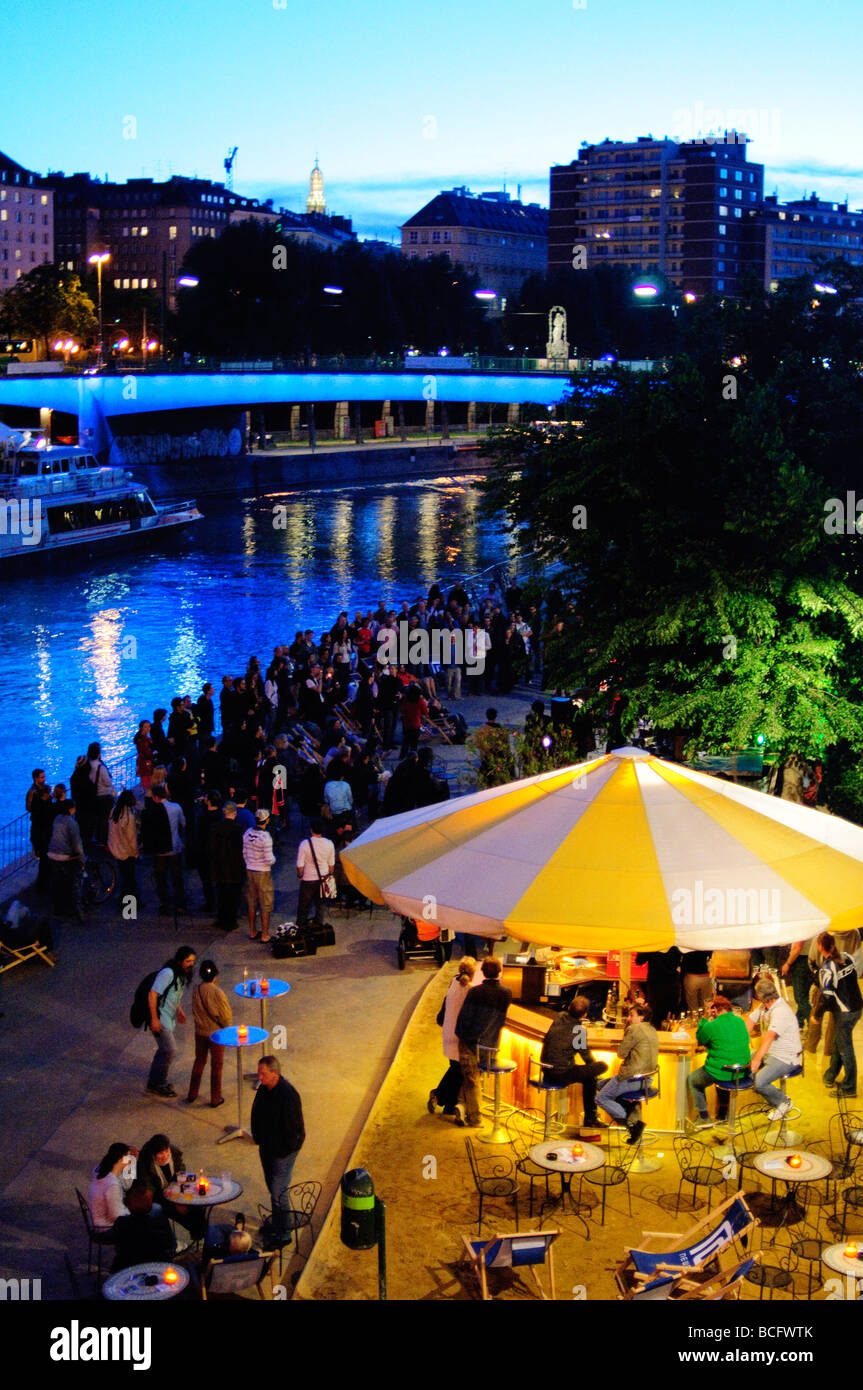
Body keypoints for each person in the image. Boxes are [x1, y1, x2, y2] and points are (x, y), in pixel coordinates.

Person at [251, 1055, 306, 1243]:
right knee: (273, 1187)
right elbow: (256, 1112)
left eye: (263, 1073)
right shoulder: (264, 1090)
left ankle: (284, 1232)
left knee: (278, 1190)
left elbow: (293, 1129)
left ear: (275, 1073)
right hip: (267, 1148)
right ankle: (280, 1222)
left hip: (282, 1152)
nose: (260, 1076)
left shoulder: (288, 1096)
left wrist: (283, 1150)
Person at [454, 957, 513, 1128]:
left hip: (471, 1044)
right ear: (500, 972)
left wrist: (463, 1037)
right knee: (471, 1078)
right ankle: (461, 1106)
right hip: (491, 1046)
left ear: (483, 972)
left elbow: (463, 1019)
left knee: (471, 1079)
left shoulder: (475, 992)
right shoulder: (506, 993)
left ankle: (475, 1118)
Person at [540, 995, 609, 1127]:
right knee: (601, 1066)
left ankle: (591, 1118)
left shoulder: (559, 1017)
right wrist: (593, 1067)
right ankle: (590, 1118)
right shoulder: (579, 1031)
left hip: (545, 1068)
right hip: (560, 1074)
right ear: (584, 1015)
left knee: (589, 1078)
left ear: (569, 1007)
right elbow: (587, 1057)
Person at [596, 1001, 659, 1144]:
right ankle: (631, 1108)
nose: (629, 1018)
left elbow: (621, 1053)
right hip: (647, 1078)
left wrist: (628, 1028)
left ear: (642, 1017)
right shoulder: (652, 1029)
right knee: (601, 1084)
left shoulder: (634, 1029)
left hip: (632, 1078)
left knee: (601, 1098)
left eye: (632, 1015)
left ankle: (633, 1124)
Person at [687, 995, 752, 1125]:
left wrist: (705, 1018)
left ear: (714, 1010)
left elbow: (700, 1039)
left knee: (694, 1080)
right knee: (723, 1075)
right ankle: (723, 1113)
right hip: (742, 1071)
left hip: (723, 1071)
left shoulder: (713, 1025)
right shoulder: (740, 1021)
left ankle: (704, 1117)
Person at [746, 978, 803, 1120]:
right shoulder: (765, 1006)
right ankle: (773, 1097)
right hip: (772, 1054)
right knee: (743, 1058)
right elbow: (750, 1021)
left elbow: (769, 1037)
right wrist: (743, 1040)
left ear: (759, 996)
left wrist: (757, 1059)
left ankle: (782, 1101)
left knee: (758, 1083)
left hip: (786, 1058)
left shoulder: (780, 1011)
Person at [814, 930, 863, 1098]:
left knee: (845, 1049)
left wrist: (816, 1015)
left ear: (820, 947)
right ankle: (830, 1076)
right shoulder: (846, 957)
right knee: (840, 1042)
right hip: (857, 1007)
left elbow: (826, 997)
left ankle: (849, 1088)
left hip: (844, 1012)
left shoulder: (827, 969)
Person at [428, 958, 478, 1117]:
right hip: (459, 1035)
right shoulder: (470, 990)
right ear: (473, 972)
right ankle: (438, 1094)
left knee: (456, 1068)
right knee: (458, 1069)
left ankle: (449, 1106)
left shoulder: (454, 982)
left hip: (448, 1031)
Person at [146, 945, 196, 1098]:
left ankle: (155, 1082)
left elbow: (174, 994)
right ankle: (158, 1083)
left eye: (193, 961)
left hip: (168, 1018)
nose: (191, 964)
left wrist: (179, 1010)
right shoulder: (168, 973)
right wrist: (154, 1019)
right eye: (188, 961)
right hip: (160, 1019)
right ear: (180, 960)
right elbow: (152, 994)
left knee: (164, 1050)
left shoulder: (181, 974)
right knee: (171, 1050)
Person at [136, 1131, 206, 1238]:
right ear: (154, 1154)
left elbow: (181, 1169)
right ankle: (197, 1234)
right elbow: (150, 1188)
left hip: (175, 1186)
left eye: (166, 1151)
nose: (165, 1156)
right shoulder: (145, 1164)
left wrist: (182, 1181)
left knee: (197, 1204)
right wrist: (175, 1200)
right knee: (182, 1213)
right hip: (159, 1195)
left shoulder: (173, 1153)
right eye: (160, 1153)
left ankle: (200, 1235)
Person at [186, 959, 232, 1107]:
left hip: (200, 1032)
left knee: (199, 1061)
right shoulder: (218, 992)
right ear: (215, 976)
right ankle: (215, 1098)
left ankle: (192, 1094)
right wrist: (226, 1027)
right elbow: (225, 1016)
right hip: (216, 1034)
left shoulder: (196, 990)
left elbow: (194, 1011)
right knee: (216, 1066)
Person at [141, 784, 187, 915]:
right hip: (175, 846)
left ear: (155, 797)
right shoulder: (176, 807)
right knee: (177, 877)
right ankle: (180, 904)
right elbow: (183, 823)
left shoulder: (152, 811)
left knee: (161, 878)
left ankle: (165, 904)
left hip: (160, 850)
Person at [110, 1181, 176, 1272]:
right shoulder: (158, 1223)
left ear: (128, 1205)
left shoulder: (121, 1223)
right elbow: (171, 1245)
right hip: (157, 1267)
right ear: (150, 1206)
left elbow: (117, 1246)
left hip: (126, 1267)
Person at [46, 798, 86, 921]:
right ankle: (73, 909)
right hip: (64, 856)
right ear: (70, 809)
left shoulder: (57, 819)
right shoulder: (71, 823)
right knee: (71, 882)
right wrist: (81, 859)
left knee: (57, 882)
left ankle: (58, 908)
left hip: (52, 853)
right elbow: (77, 843)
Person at [211, 801, 246, 931]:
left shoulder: (215, 828)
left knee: (221, 895)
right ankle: (231, 921)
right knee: (233, 896)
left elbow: (212, 848)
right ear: (235, 813)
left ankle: (221, 919)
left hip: (219, 867)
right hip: (234, 868)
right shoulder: (239, 829)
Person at [89, 1141, 138, 1231]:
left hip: (98, 1218)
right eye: (128, 1157)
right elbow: (117, 1216)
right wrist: (132, 1212)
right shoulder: (112, 1185)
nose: (130, 1159)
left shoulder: (100, 1169)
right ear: (121, 1159)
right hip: (106, 1227)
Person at [243, 807, 276, 942]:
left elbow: (244, 853)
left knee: (252, 902)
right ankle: (264, 935)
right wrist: (274, 860)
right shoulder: (266, 837)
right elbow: (269, 859)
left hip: (250, 870)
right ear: (267, 820)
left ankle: (252, 931)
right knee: (265, 904)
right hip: (263, 872)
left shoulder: (247, 833)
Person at [296, 817, 335, 927]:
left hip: (308, 879)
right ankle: (318, 927)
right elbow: (331, 867)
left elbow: (300, 865)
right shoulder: (329, 844)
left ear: (311, 830)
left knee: (304, 906)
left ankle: (301, 928)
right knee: (320, 905)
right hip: (323, 879)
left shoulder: (304, 844)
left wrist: (300, 875)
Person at [107, 789, 139, 906]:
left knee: (127, 877)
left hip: (116, 849)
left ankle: (134, 902)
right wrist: (135, 853)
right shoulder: (128, 817)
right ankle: (128, 906)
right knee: (129, 879)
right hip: (126, 852)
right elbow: (132, 838)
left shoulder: (114, 811)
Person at [400, 684, 428, 759]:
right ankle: (413, 757)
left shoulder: (406, 700)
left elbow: (402, 710)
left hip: (406, 722)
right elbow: (425, 712)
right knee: (414, 742)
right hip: (416, 723)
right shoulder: (420, 701)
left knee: (406, 740)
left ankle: (402, 755)